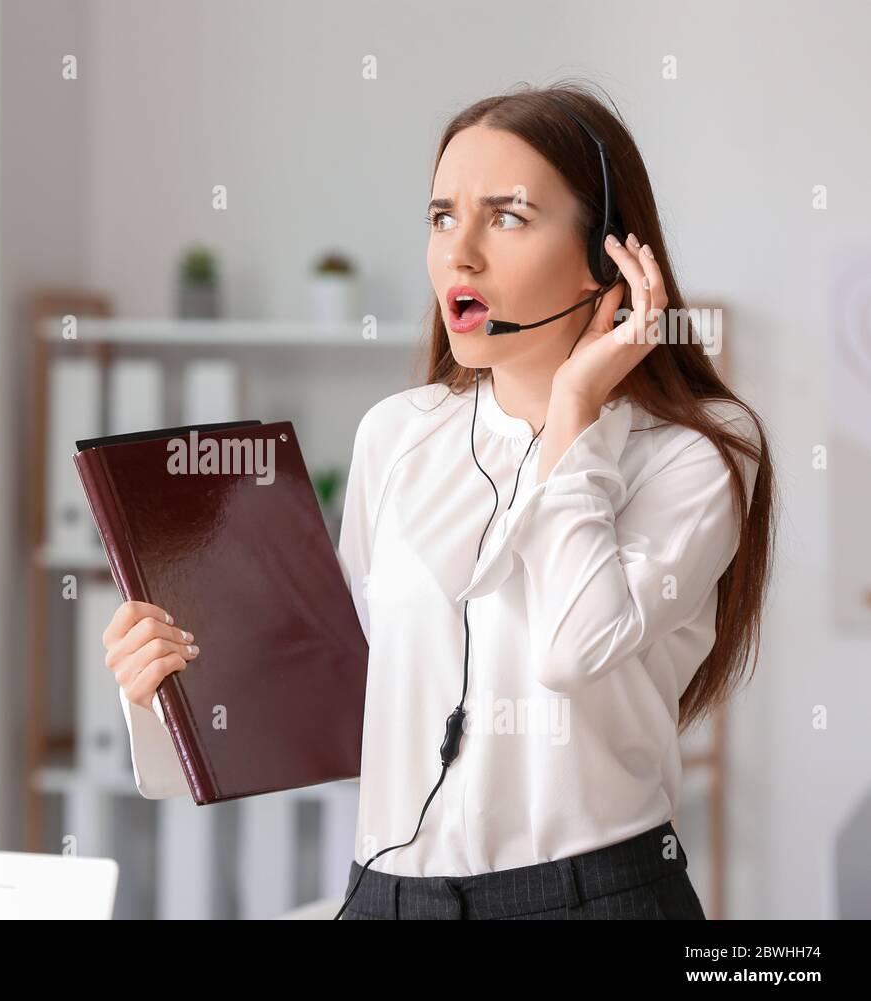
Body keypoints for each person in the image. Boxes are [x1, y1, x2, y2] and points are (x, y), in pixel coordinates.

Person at [101, 81, 775, 920]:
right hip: (386, 894)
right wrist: (160, 686)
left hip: (592, 896)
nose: (460, 254)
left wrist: (574, 414)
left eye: (508, 217)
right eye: (442, 218)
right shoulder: (398, 434)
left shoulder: (693, 454)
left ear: (606, 259)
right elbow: (344, 698)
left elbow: (573, 648)